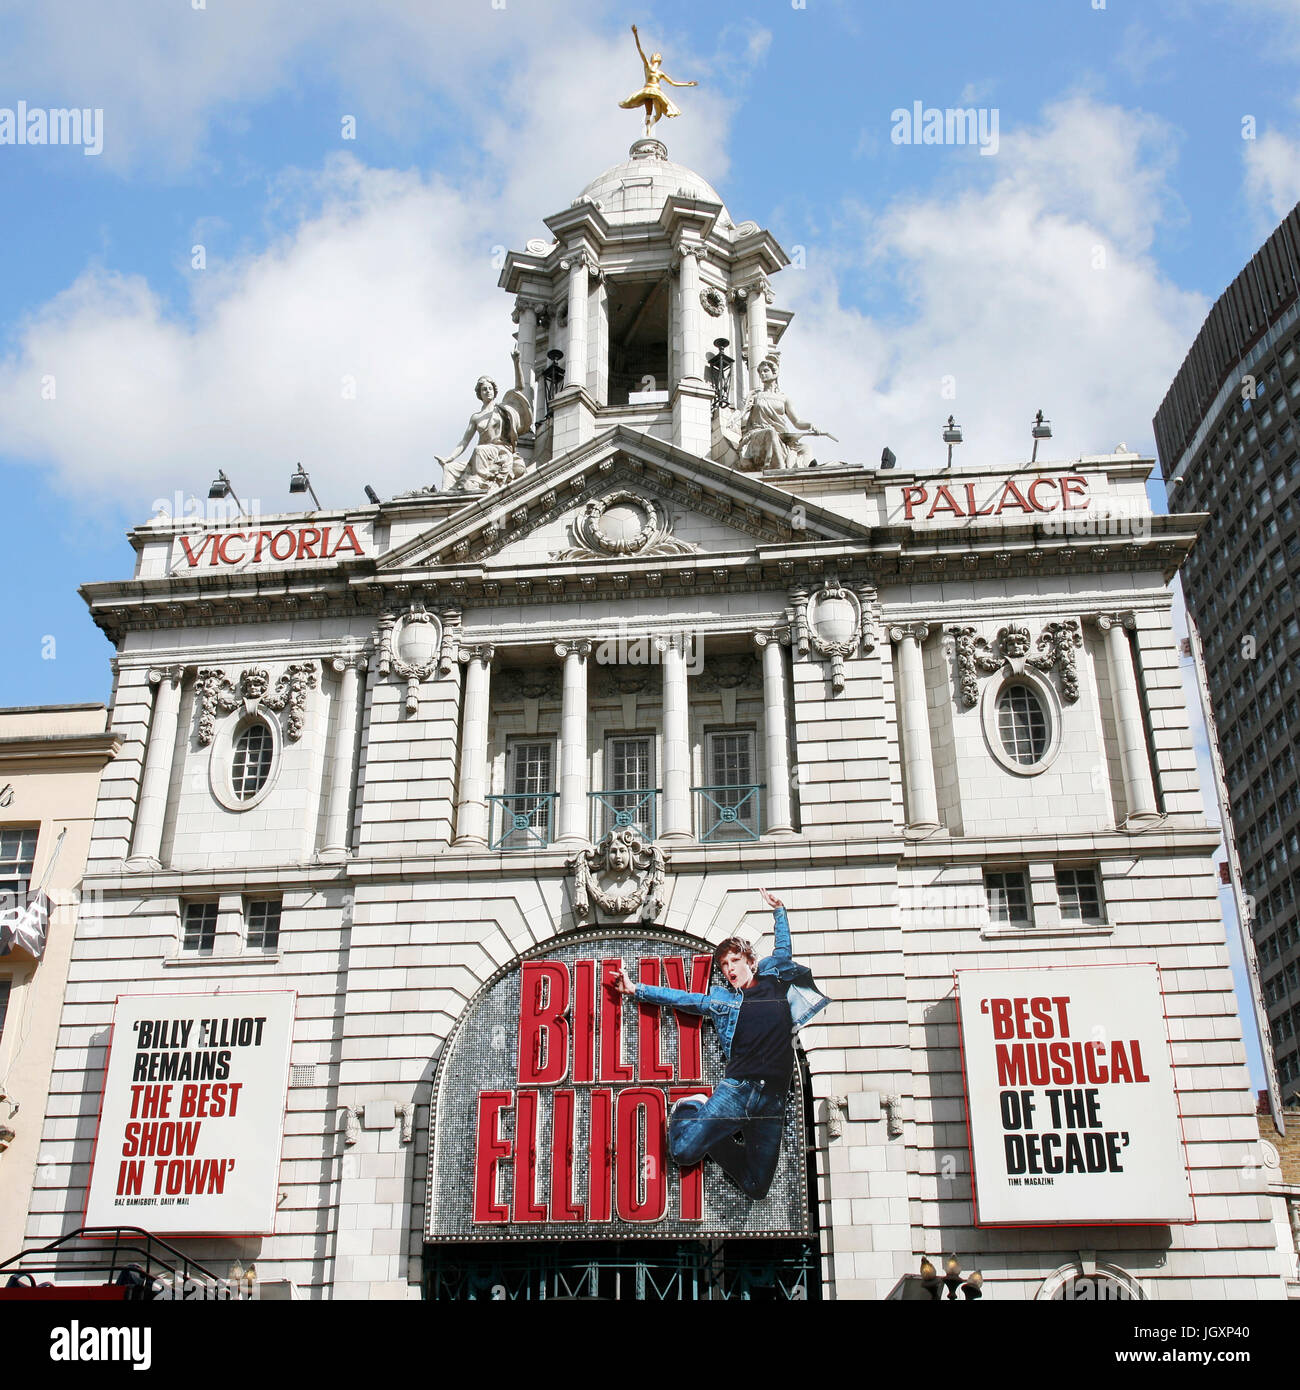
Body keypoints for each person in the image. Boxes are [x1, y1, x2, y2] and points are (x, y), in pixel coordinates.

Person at [612, 888, 829, 1200]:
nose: (730, 970)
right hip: (738, 1091)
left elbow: (783, 950)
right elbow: (685, 999)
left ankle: (710, 1129)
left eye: (735, 961)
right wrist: (637, 989)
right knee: (684, 1150)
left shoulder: (774, 979)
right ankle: (692, 1108)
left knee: (756, 1187)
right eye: (725, 965)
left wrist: (779, 912)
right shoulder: (722, 999)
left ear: (751, 961)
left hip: (773, 1098)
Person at [436, 348, 532, 493]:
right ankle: (446, 503)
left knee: (479, 450)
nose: (487, 391)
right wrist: (448, 458)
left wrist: (516, 361)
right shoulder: (476, 417)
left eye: (489, 388)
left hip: (499, 451)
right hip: (482, 456)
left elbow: (520, 387)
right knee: (450, 469)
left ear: (494, 391)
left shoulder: (502, 409)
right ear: (479, 394)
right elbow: (464, 441)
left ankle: (476, 484)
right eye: (484, 389)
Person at [738, 357, 822, 471]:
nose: (762, 374)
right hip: (758, 434)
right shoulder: (755, 396)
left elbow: (797, 422)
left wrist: (810, 426)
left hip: (781, 437)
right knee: (771, 433)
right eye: (760, 372)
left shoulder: (784, 399)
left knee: (806, 448)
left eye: (765, 371)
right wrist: (745, 410)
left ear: (775, 373)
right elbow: (744, 419)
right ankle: (780, 470)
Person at [618, 25, 698, 138]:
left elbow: (673, 83)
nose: (658, 56)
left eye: (659, 55)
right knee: (649, 109)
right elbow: (640, 51)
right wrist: (636, 35)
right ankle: (647, 119)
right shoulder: (648, 67)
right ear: (653, 58)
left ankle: (649, 126)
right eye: (656, 55)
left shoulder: (660, 73)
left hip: (657, 91)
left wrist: (688, 84)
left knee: (659, 115)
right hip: (649, 89)